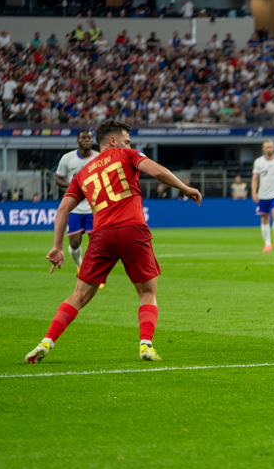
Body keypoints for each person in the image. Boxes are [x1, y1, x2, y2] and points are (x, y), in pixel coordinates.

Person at [25, 120, 203, 364]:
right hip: (132, 230)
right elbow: (158, 172)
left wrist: (57, 247)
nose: (129, 144)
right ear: (112, 141)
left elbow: (63, 209)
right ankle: (146, 346)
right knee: (147, 292)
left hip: (101, 235)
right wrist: (184, 188)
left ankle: (46, 341)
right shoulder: (127, 154)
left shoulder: (82, 173)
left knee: (79, 295)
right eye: (127, 140)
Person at [55, 129, 98, 275]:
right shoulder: (68, 158)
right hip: (74, 207)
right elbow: (58, 179)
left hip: (94, 207)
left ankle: (91, 272)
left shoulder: (99, 157)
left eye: (89, 138)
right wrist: (74, 186)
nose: (87, 140)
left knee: (96, 242)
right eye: (84, 137)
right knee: (74, 243)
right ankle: (79, 264)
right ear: (77, 141)